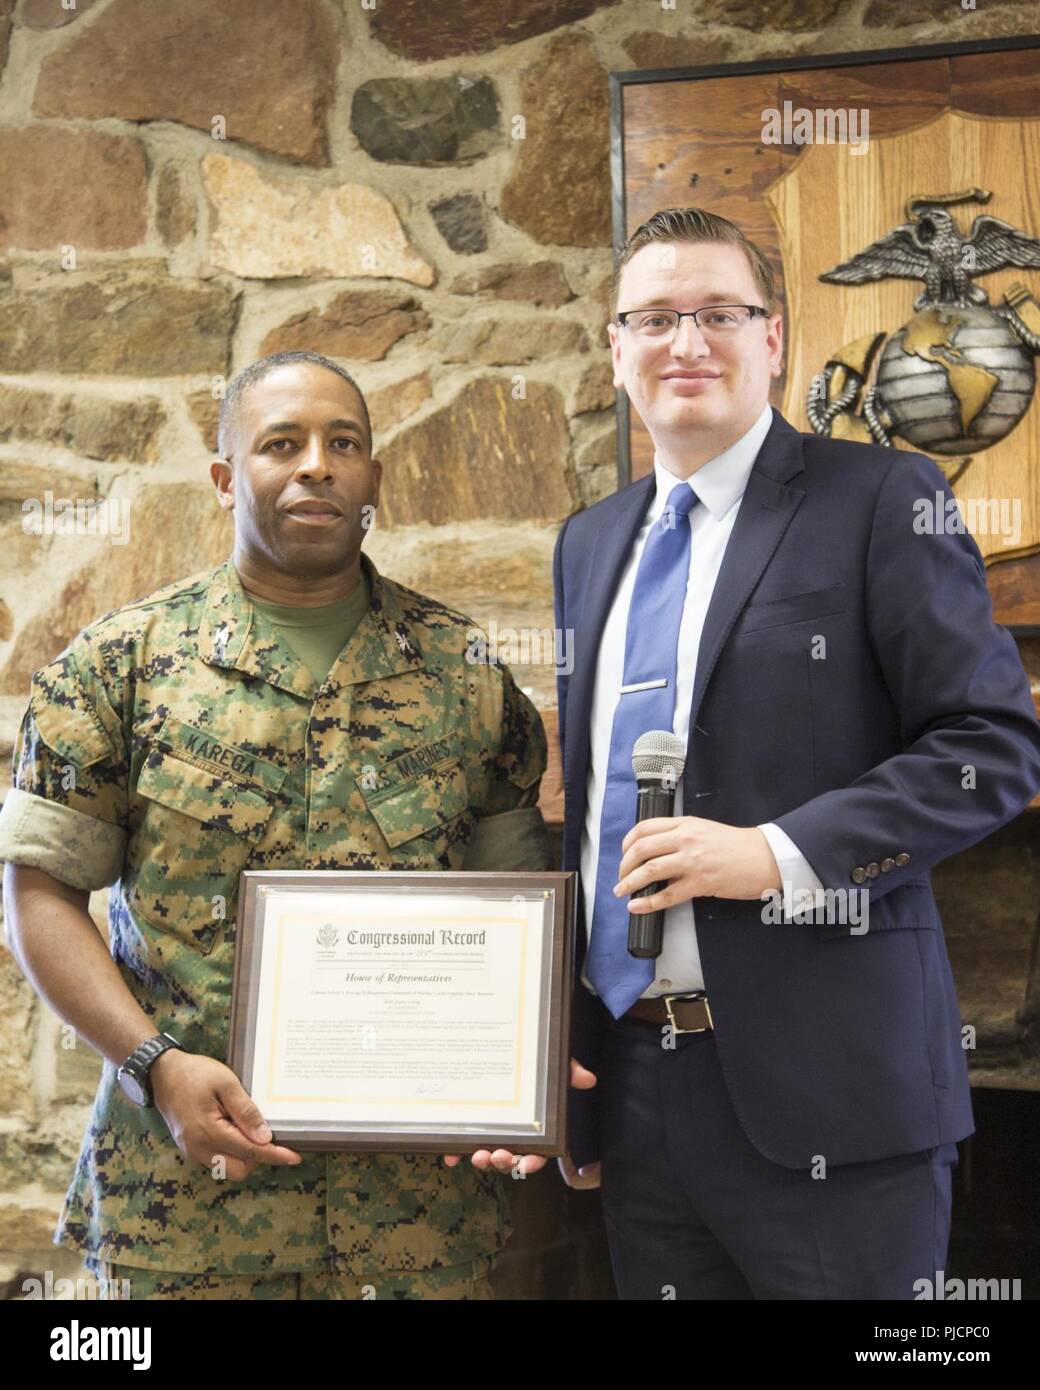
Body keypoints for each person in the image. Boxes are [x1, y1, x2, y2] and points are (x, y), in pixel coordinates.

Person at [549, 207, 1040, 1299]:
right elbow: (589, 817)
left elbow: (992, 749)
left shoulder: (878, 500)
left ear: (771, 338)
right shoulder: (587, 543)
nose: (687, 342)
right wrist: (551, 1055)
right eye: (655, 317)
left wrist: (772, 853)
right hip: (635, 1085)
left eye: (718, 312)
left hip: (835, 1095)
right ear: (614, 346)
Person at [0, 350, 554, 1301]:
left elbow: (518, 915)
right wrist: (152, 1064)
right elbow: (38, 893)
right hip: (185, 1212)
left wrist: (518, 1080)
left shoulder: (467, 675)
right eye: (281, 444)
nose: (315, 466)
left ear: (374, 477)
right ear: (225, 478)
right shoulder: (122, 668)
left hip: (414, 1226)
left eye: (344, 443)